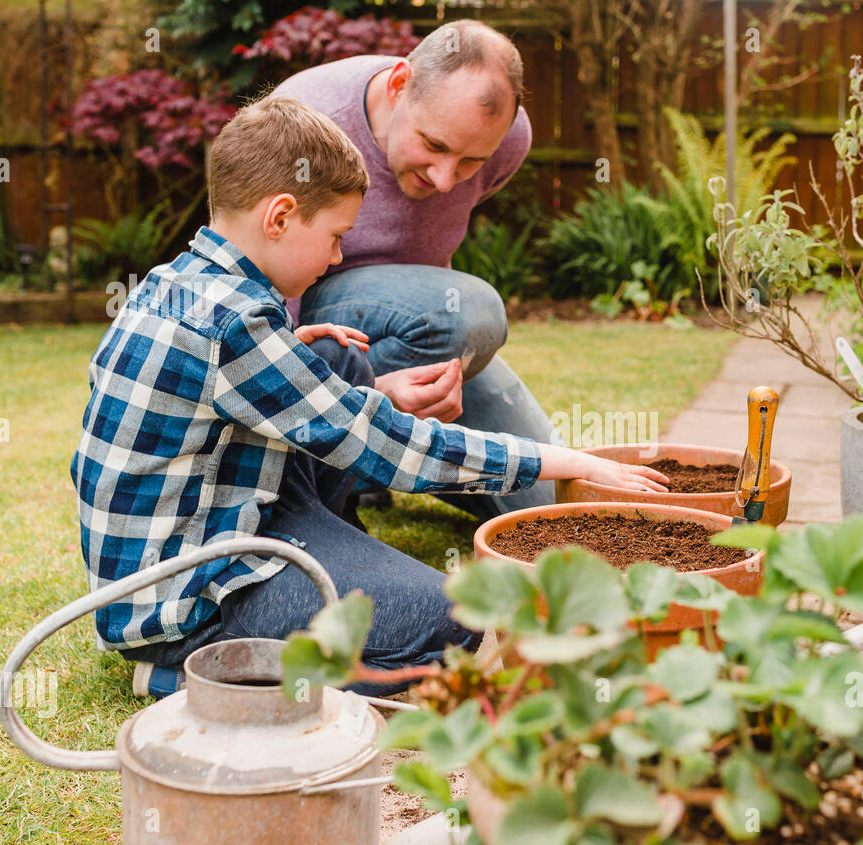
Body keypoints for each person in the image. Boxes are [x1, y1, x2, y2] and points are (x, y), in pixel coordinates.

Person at [70, 96, 668, 699]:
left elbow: (226, 402)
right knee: (448, 623)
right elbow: (393, 450)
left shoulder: (175, 283)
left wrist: (367, 386)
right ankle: (192, 669)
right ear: (278, 217)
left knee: (336, 359)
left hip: (210, 531)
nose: (337, 256)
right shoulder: (234, 326)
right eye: (334, 236)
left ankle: (329, 548)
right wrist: (562, 459)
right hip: (186, 599)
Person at [270, 19, 556, 522]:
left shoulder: (510, 139)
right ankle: (328, 472)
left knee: (551, 501)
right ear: (400, 86)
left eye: (470, 161)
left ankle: (375, 466)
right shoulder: (306, 123)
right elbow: (255, 280)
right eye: (435, 146)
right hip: (308, 316)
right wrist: (358, 398)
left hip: (419, 317)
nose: (446, 180)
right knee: (471, 314)